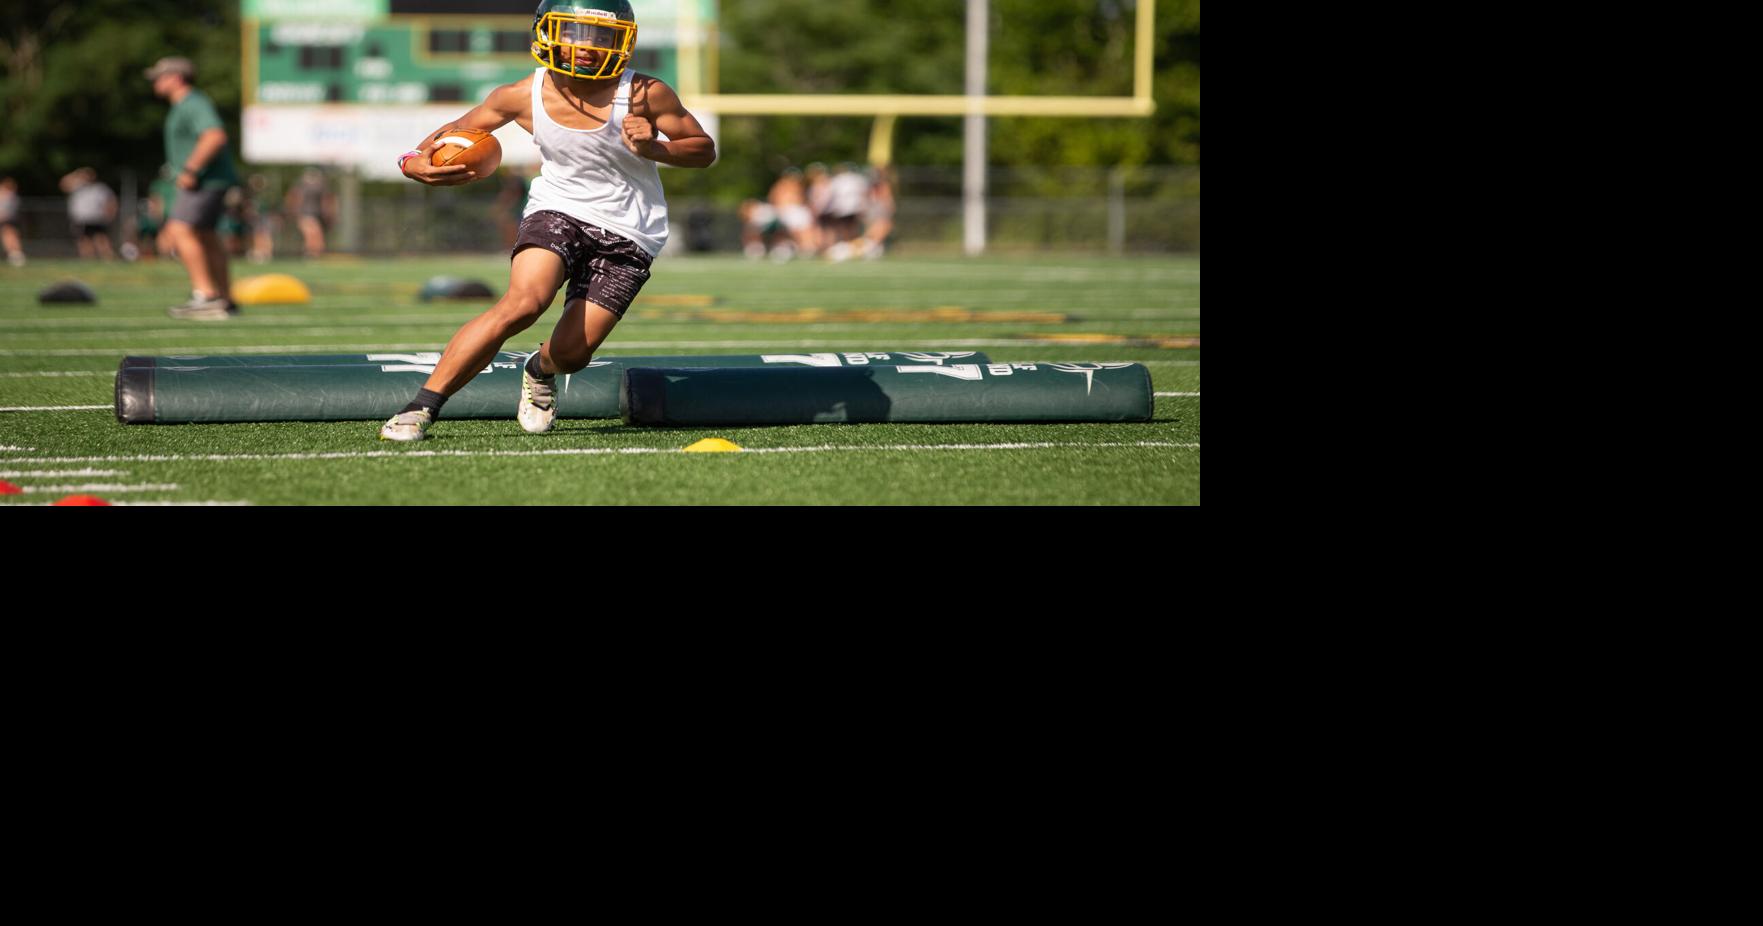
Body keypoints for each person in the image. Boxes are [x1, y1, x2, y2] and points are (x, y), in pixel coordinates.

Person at [379, 0, 715, 441]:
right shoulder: (520, 95)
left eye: (603, 36)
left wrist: (656, 149)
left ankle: (540, 369)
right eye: (576, 32)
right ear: (547, 33)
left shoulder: (645, 93)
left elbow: (702, 148)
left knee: (574, 353)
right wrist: (411, 162)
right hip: (559, 208)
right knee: (523, 303)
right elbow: (447, 135)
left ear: (623, 42)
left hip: (630, 227)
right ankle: (420, 407)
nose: (590, 47)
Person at [147, 56, 244, 320]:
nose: (155, 81)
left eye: (159, 76)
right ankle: (224, 298)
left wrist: (191, 170)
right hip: (210, 180)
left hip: (204, 180)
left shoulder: (193, 103)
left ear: (176, 77)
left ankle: (206, 296)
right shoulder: (185, 105)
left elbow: (214, 136)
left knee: (180, 230)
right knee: (206, 235)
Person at [60, 168, 118, 261]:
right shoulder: (76, 187)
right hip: (81, 219)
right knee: (84, 240)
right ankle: (88, 260)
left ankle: (108, 259)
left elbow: (111, 202)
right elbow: (63, 183)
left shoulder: (100, 188)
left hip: (97, 218)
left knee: (101, 239)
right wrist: (76, 174)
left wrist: (111, 214)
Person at [285, 168, 335, 258]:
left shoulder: (318, 187)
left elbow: (326, 201)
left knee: (315, 235)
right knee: (311, 234)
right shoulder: (301, 187)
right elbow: (293, 199)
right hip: (304, 214)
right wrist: (293, 212)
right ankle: (311, 253)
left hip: (314, 215)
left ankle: (313, 253)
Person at [0, 177, 24, 267]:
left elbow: (6, 212)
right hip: (7, 220)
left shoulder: (10, 196)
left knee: (10, 237)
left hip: (7, 221)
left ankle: (16, 256)